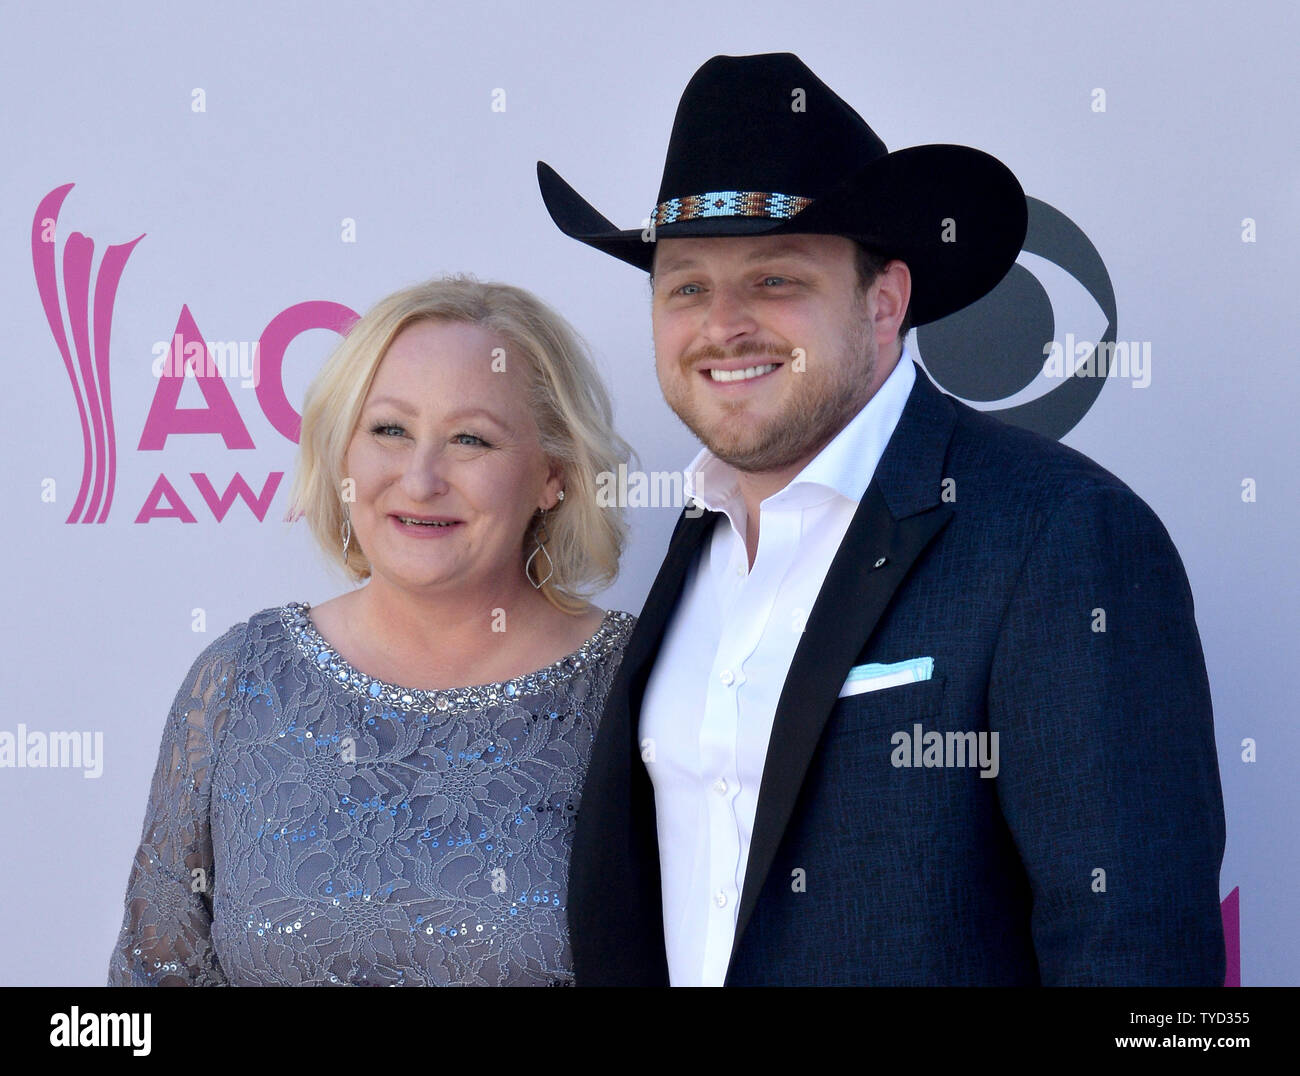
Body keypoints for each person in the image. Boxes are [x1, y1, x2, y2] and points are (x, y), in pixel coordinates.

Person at [537, 52, 1226, 986]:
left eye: (775, 280)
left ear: (885, 301)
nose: (722, 324)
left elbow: (1135, 951)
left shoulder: (1060, 534)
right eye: (687, 286)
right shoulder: (697, 533)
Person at [107, 276, 635, 985]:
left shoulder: (640, 687)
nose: (420, 479)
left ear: (553, 475)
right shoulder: (239, 683)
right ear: (342, 453)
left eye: (471, 439)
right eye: (390, 430)